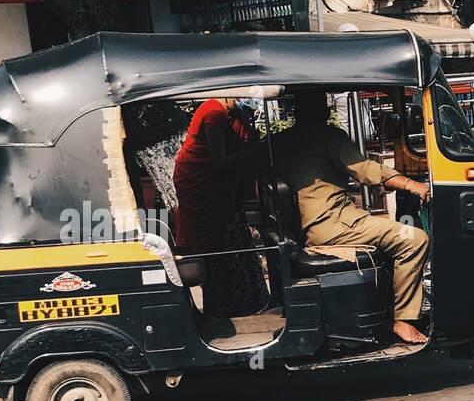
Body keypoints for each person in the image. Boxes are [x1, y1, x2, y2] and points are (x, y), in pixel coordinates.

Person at [275, 89, 431, 344]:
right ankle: (402, 319)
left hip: (314, 227)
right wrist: (409, 184)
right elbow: (365, 169)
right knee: (413, 239)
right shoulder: (328, 136)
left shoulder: (282, 140)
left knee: (389, 233)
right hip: (336, 224)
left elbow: (240, 162)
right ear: (323, 110)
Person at [171, 96, 265, 318]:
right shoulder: (214, 112)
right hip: (201, 186)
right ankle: (227, 304)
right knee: (217, 243)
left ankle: (242, 301)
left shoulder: (224, 111)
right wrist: (252, 153)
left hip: (213, 187)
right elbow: (219, 161)